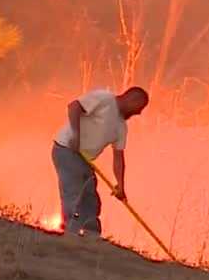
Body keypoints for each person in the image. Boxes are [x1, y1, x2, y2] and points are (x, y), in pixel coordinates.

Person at [51, 86, 149, 236]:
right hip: (67, 149)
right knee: (74, 192)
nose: (139, 112)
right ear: (132, 99)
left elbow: (118, 157)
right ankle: (71, 232)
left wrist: (120, 186)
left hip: (84, 159)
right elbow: (74, 107)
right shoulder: (104, 99)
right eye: (139, 107)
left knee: (90, 196)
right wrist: (76, 136)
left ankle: (91, 233)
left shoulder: (121, 127)